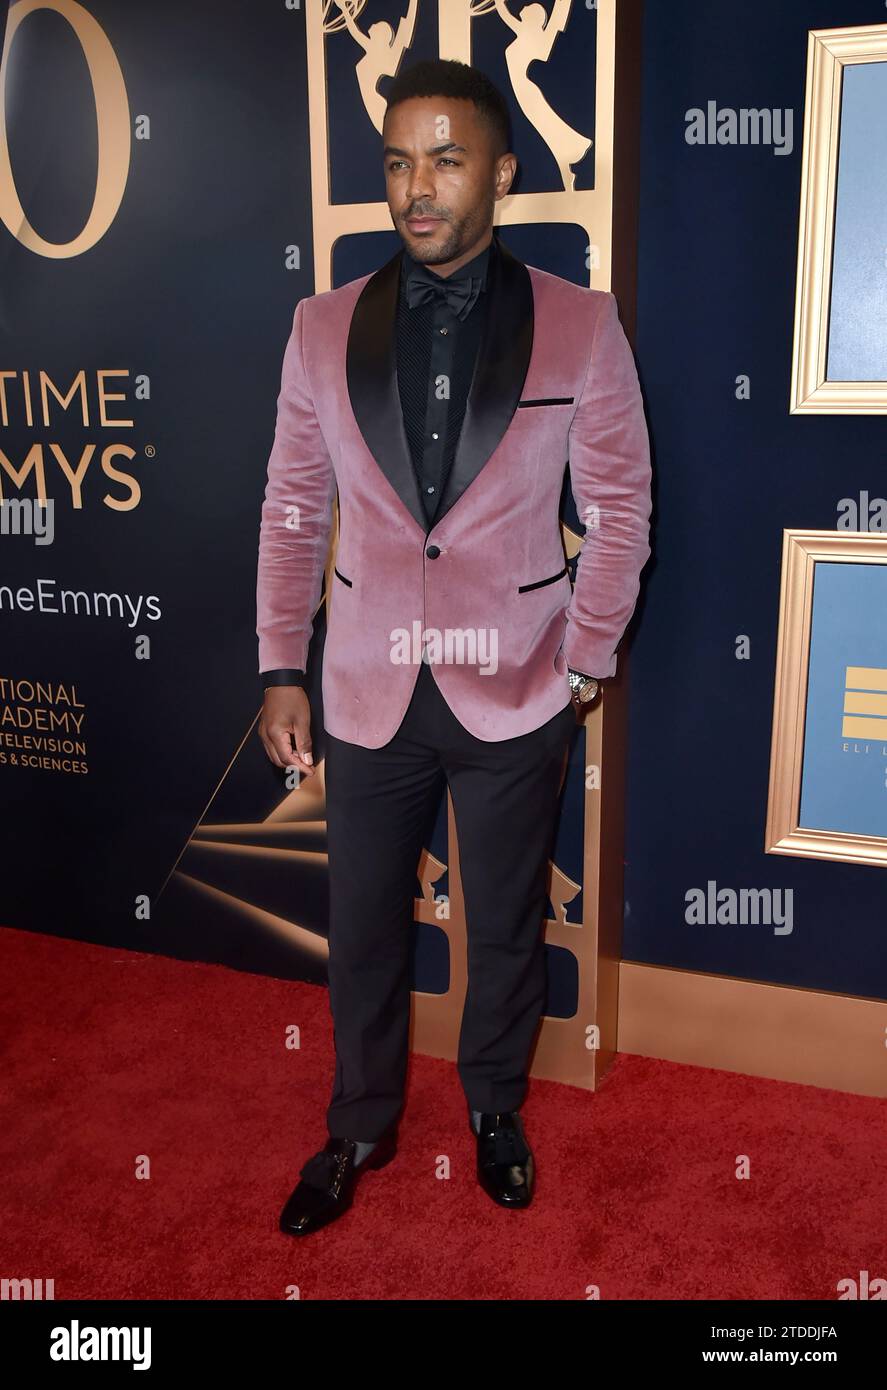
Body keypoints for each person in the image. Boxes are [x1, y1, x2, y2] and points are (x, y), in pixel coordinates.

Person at [256, 58, 652, 1237]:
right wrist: (282, 658)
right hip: (365, 688)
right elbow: (289, 499)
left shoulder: (579, 324)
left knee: (505, 927)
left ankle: (493, 1109)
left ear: (500, 172)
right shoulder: (318, 325)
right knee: (364, 923)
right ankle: (360, 1123)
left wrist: (585, 655)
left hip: (519, 684)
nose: (414, 187)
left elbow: (620, 504)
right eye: (395, 161)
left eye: (443, 158)